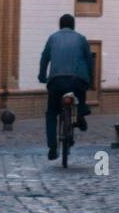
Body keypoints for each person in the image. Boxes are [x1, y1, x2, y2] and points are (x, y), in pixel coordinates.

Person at [38, 13, 93, 159]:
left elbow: (44, 58)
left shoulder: (52, 38)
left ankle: (52, 147)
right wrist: (90, 81)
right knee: (81, 95)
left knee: (51, 114)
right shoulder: (81, 38)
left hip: (56, 82)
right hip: (77, 81)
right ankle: (80, 114)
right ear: (73, 26)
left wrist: (42, 76)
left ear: (60, 25)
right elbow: (89, 61)